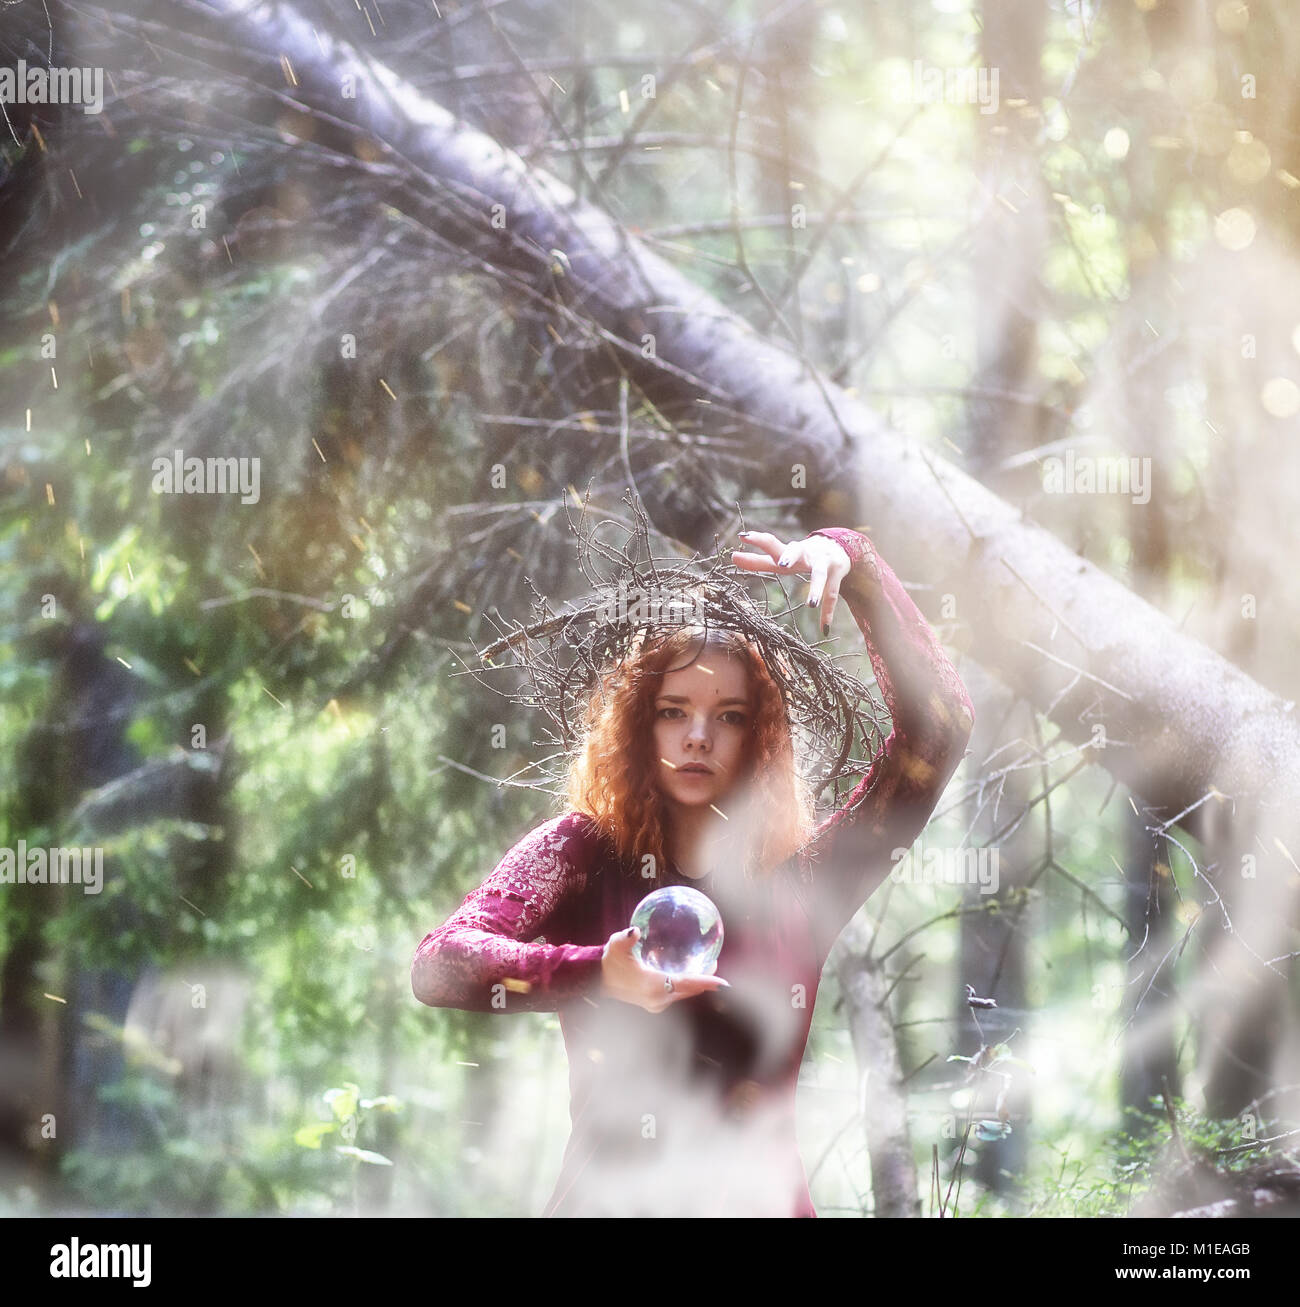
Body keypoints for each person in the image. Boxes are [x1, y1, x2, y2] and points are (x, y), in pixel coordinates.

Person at [411, 526, 974, 1216]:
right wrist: (595, 972)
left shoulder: (805, 886)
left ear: (759, 736)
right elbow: (441, 962)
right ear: (638, 727)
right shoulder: (579, 853)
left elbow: (941, 727)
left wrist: (855, 559)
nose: (698, 735)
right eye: (673, 711)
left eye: (728, 716)